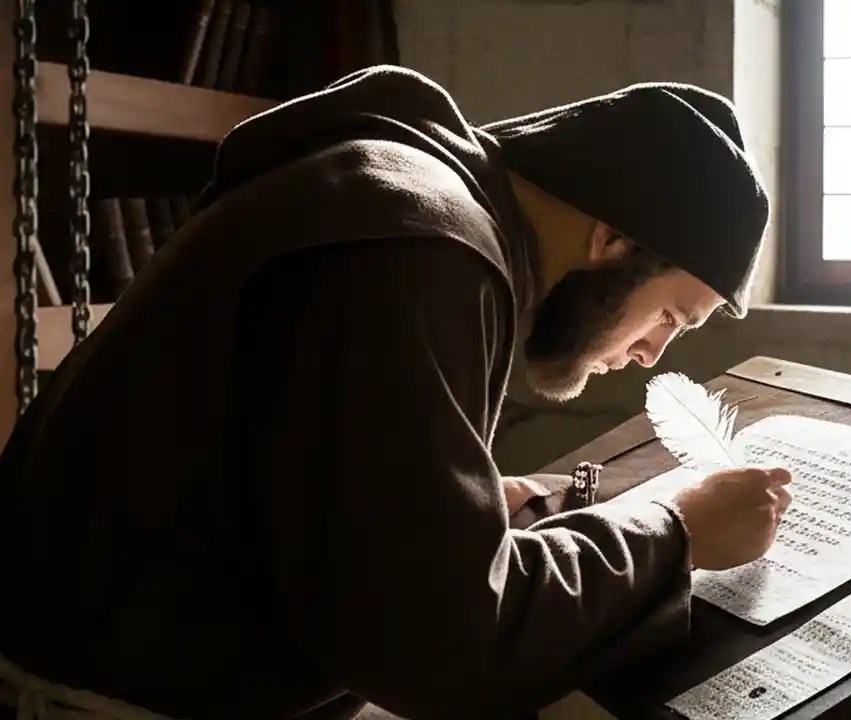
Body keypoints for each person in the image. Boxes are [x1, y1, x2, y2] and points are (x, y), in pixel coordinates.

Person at [0, 65, 792, 719]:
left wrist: (468, 512)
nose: (652, 353)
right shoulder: (422, 248)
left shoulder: (397, 200)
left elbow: (286, 491)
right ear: (613, 238)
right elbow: (435, 644)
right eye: (670, 316)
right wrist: (677, 534)